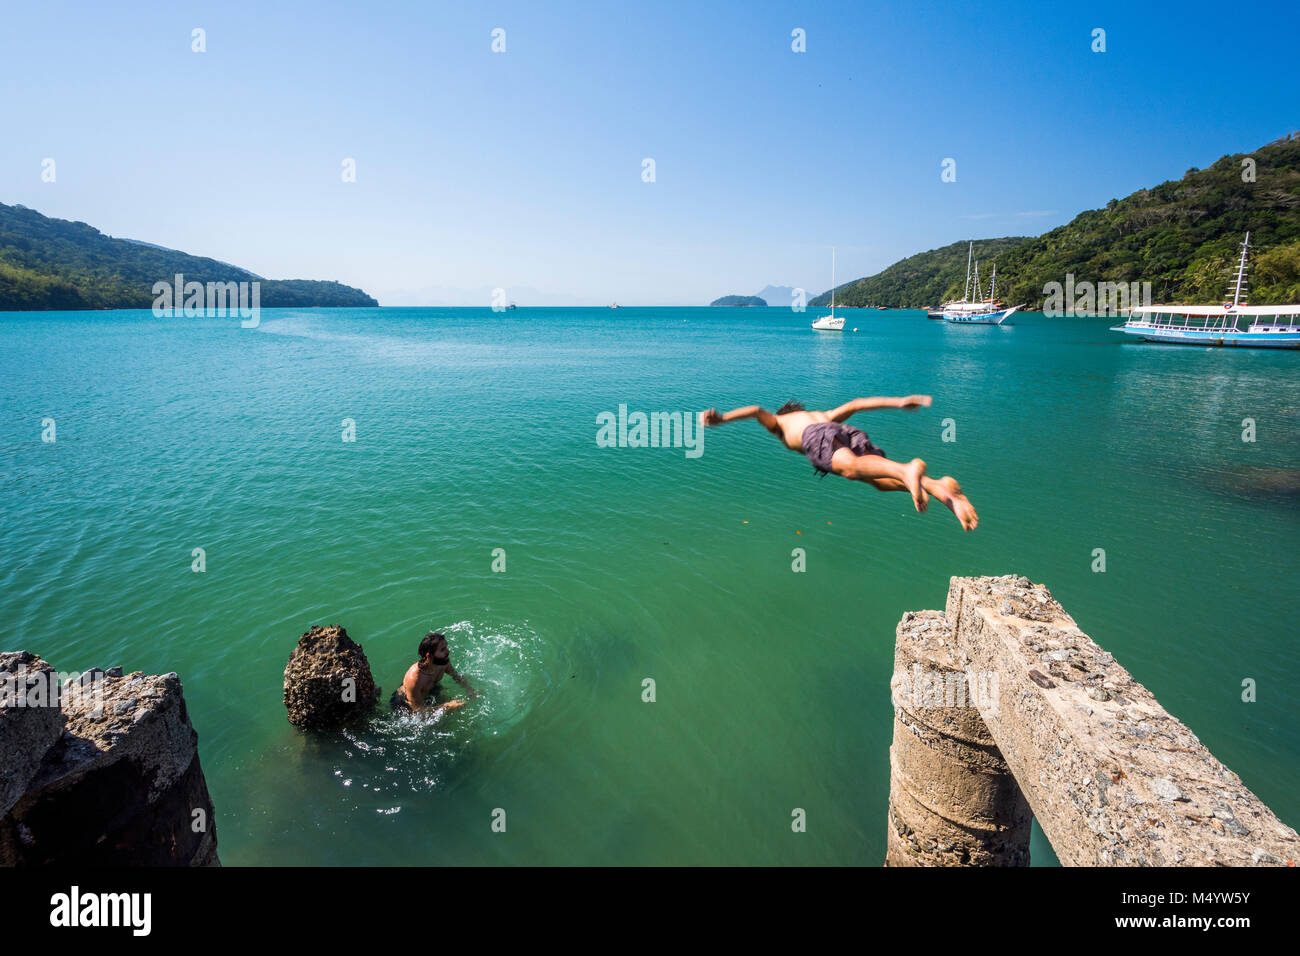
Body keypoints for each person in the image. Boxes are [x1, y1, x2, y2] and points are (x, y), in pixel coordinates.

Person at [700, 396, 978, 531]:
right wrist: (900, 402)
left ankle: (907, 469)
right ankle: (940, 488)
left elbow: (757, 411)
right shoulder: (822, 414)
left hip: (818, 438)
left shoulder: (780, 424)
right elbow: (857, 404)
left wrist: (722, 419)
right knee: (878, 481)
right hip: (843, 432)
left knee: (851, 469)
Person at [390, 632, 477, 714]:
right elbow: (418, 712)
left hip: (431, 690)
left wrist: (469, 688)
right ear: (429, 656)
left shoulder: (443, 662)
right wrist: (447, 706)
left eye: (446, 647)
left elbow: (456, 676)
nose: (448, 652)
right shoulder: (415, 679)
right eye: (442, 650)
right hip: (405, 703)